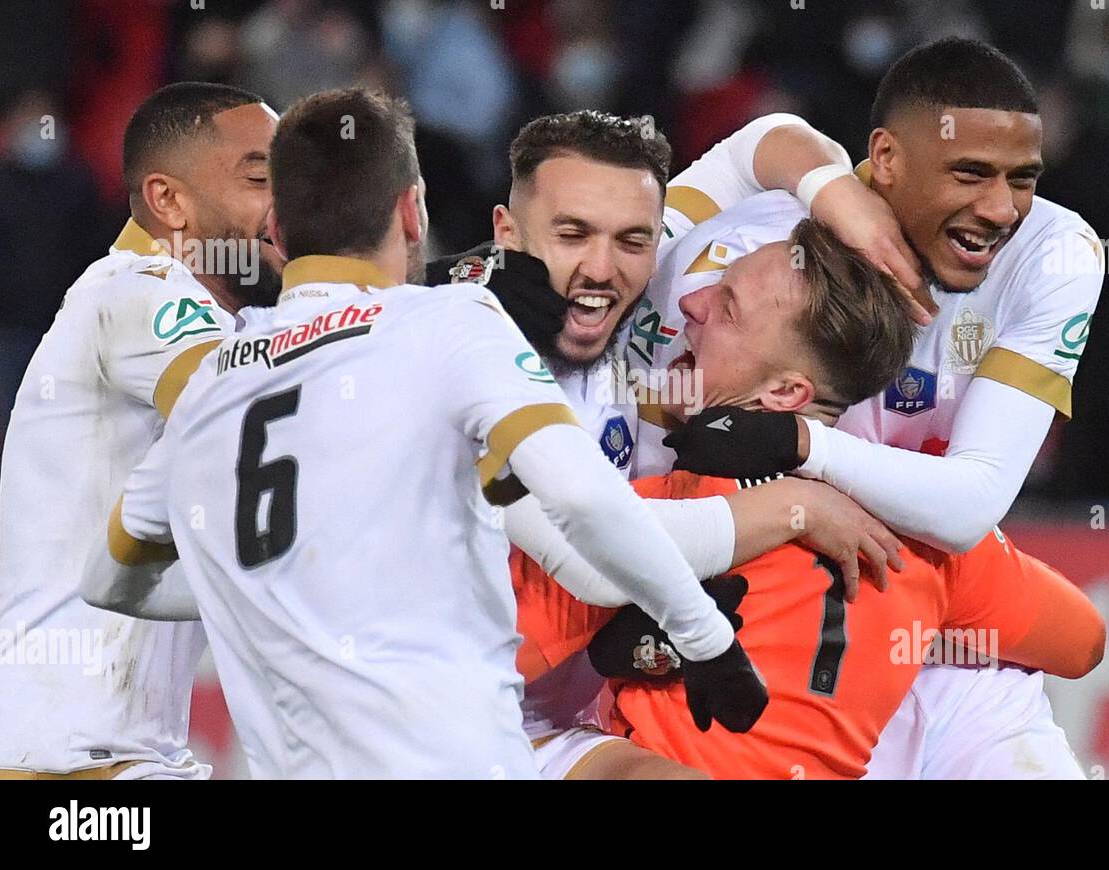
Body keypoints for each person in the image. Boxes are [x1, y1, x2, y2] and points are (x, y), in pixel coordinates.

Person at [81, 89, 766, 779]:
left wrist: (265, 586)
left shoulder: (213, 381)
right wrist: (705, 638)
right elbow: (581, 508)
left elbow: (110, 580)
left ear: (278, 234)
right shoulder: (449, 324)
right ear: (414, 212)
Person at [627, 37, 1106, 779]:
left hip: (930, 615)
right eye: (971, 174)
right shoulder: (730, 269)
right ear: (885, 160)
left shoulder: (1052, 251)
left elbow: (971, 505)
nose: (1002, 208)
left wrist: (799, 452)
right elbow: (631, 516)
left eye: (1022, 179)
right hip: (763, 650)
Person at [509, 220, 1105, 778]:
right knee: (998, 690)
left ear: (786, 392)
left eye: (729, 309)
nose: (691, 303)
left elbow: (481, 664)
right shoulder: (925, 537)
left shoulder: (650, 521)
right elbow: (1082, 643)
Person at [428, 109, 903, 779]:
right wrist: (795, 508)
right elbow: (587, 553)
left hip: (544, 722)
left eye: (633, 241)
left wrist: (837, 193)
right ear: (505, 233)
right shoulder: (463, 351)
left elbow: (754, 149)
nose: (601, 267)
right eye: (571, 235)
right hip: (422, 717)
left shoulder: (623, 304)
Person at [0, 82, 281, 780]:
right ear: (169, 201)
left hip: (107, 756)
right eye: (260, 179)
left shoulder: (214, 317)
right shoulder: (137, 291)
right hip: (69, 766)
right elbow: (244, 414)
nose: (292, 203)